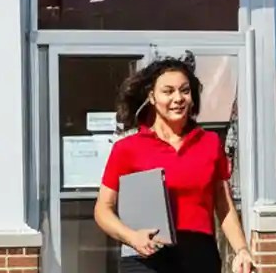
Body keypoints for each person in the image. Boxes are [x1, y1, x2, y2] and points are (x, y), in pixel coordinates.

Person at [95, 56, 254, 273]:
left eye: (184, 90)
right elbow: (103, 209)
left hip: (199, 256)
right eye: (168, 91)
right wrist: (131, 237)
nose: (178, 98)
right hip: (146, 258)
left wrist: (241, 249)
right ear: (152, 97)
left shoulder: (210, 143)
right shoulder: (127, 149)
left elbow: (223, 205)